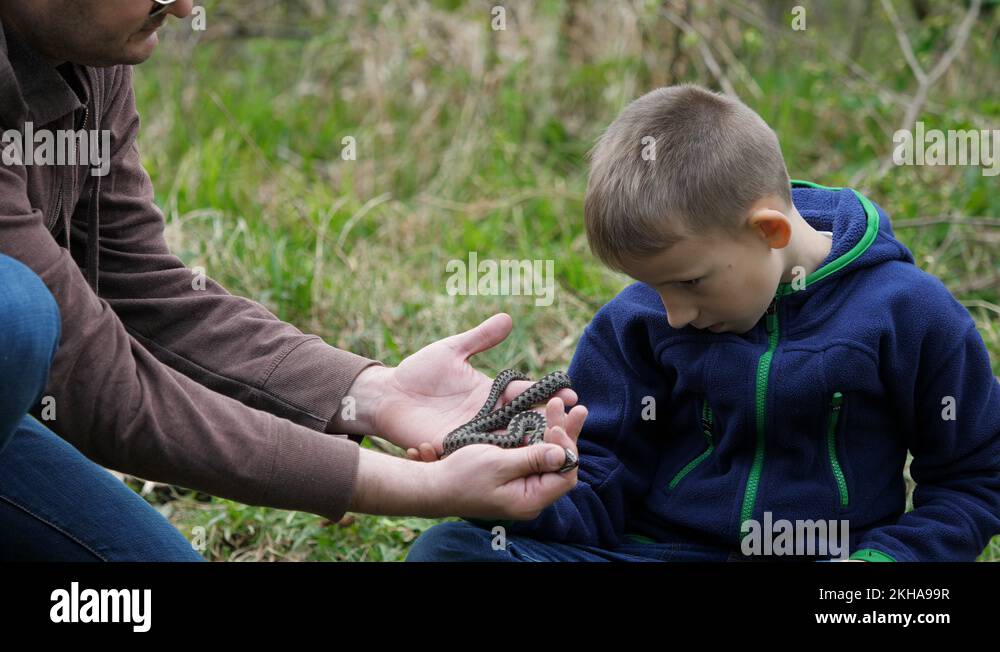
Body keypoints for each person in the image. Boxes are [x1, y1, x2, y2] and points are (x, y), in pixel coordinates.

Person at [0, 0, 586, 561]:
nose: (181, 7)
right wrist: (413, 485)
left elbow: (139, 288)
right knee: (14, 312)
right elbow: (100, 384)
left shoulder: (89, 52)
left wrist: (375, 395)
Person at [405, 84, 1000, 562]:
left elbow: (973, 480)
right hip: (652, 553)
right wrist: (508, 492)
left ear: (770, 231)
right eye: (653, 286)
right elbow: (601, 487)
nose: (674, 313)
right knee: (449, 550)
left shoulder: (909, 313)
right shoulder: (635, 324)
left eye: (689, 282)